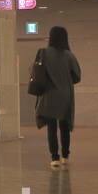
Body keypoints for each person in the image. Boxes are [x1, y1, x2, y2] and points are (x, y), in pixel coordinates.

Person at [33, 26, 81, 168]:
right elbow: (77, 76)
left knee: (51, 127)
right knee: (64, 126)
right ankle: (65, 155)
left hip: (48, 94)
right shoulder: (69, 55)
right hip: (65, 95)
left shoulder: (43, 53)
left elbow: (35, 71)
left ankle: (54, 158)